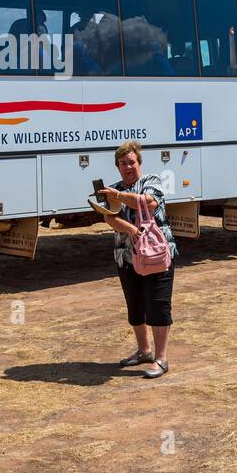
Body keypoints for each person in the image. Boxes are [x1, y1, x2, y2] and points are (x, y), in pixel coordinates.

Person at [95, 140, 179, 378]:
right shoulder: (112, 189)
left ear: (139, 163)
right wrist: (132, 231)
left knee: (158, 304)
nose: (128, 167)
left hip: (156, 254)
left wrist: (119, 196)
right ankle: (143, 350)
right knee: (135, 306)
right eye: (123, 163)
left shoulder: (151, 182)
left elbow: (150, 203)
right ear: (117, 167)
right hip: (126, 256)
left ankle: (161, 358)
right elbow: (110, 218)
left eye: (131, 162)